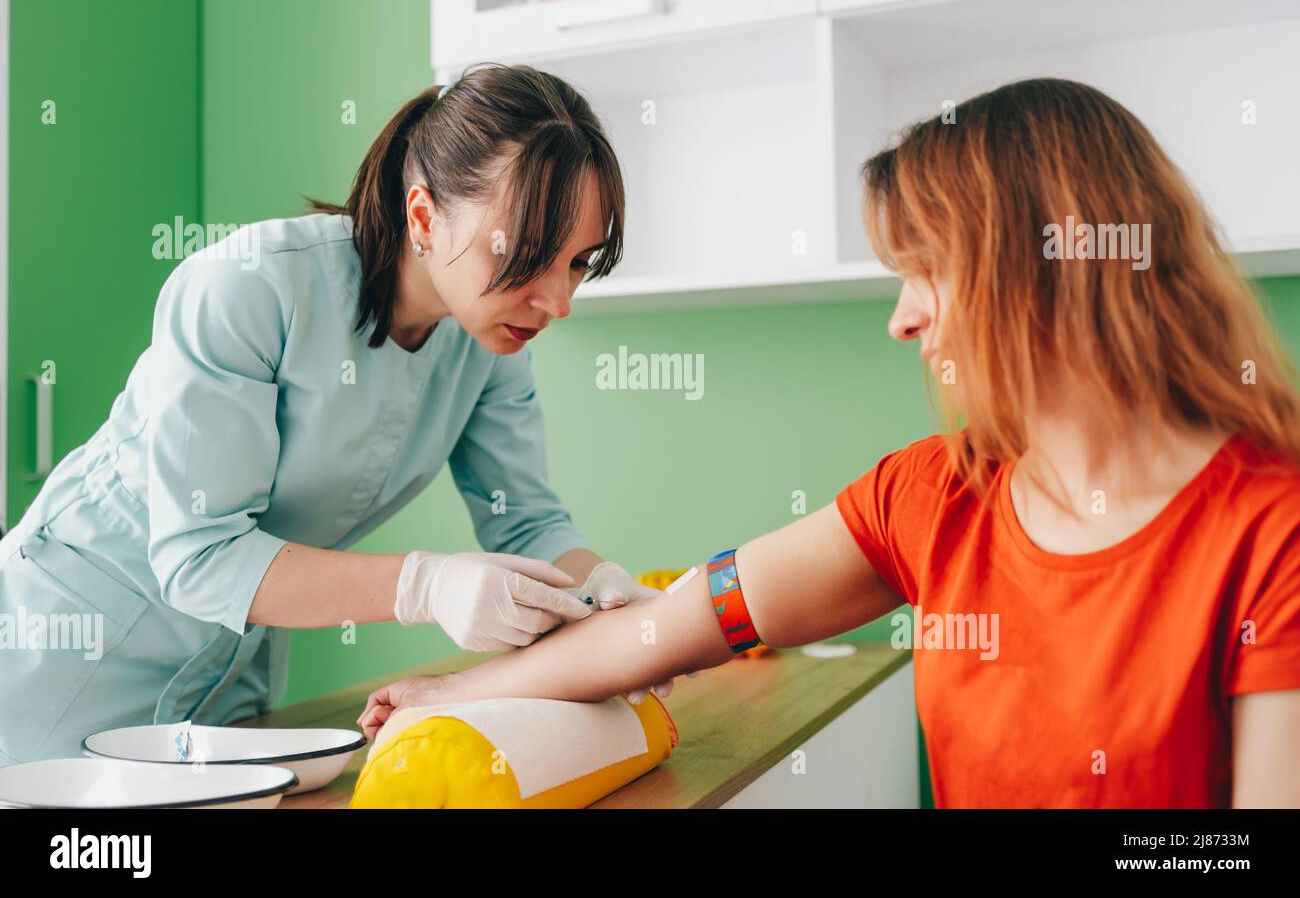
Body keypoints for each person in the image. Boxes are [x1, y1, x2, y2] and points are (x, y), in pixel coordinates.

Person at [359, 78, 1300, 808]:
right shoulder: (932, 496)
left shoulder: (1272, 530)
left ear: (1049, 265)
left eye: (925, 271)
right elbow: (676, 625)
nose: (901, 320)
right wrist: (464, 695)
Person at [0, 63, 676, 766]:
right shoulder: (252, 287)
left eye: (577, 264)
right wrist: (425, 584)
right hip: (70, 652)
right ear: (423, 216)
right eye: (529, 257)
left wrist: (605, 588)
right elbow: (198, 554)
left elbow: (526, 521)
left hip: (228, 674)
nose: (558, 303)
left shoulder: (490, 348)